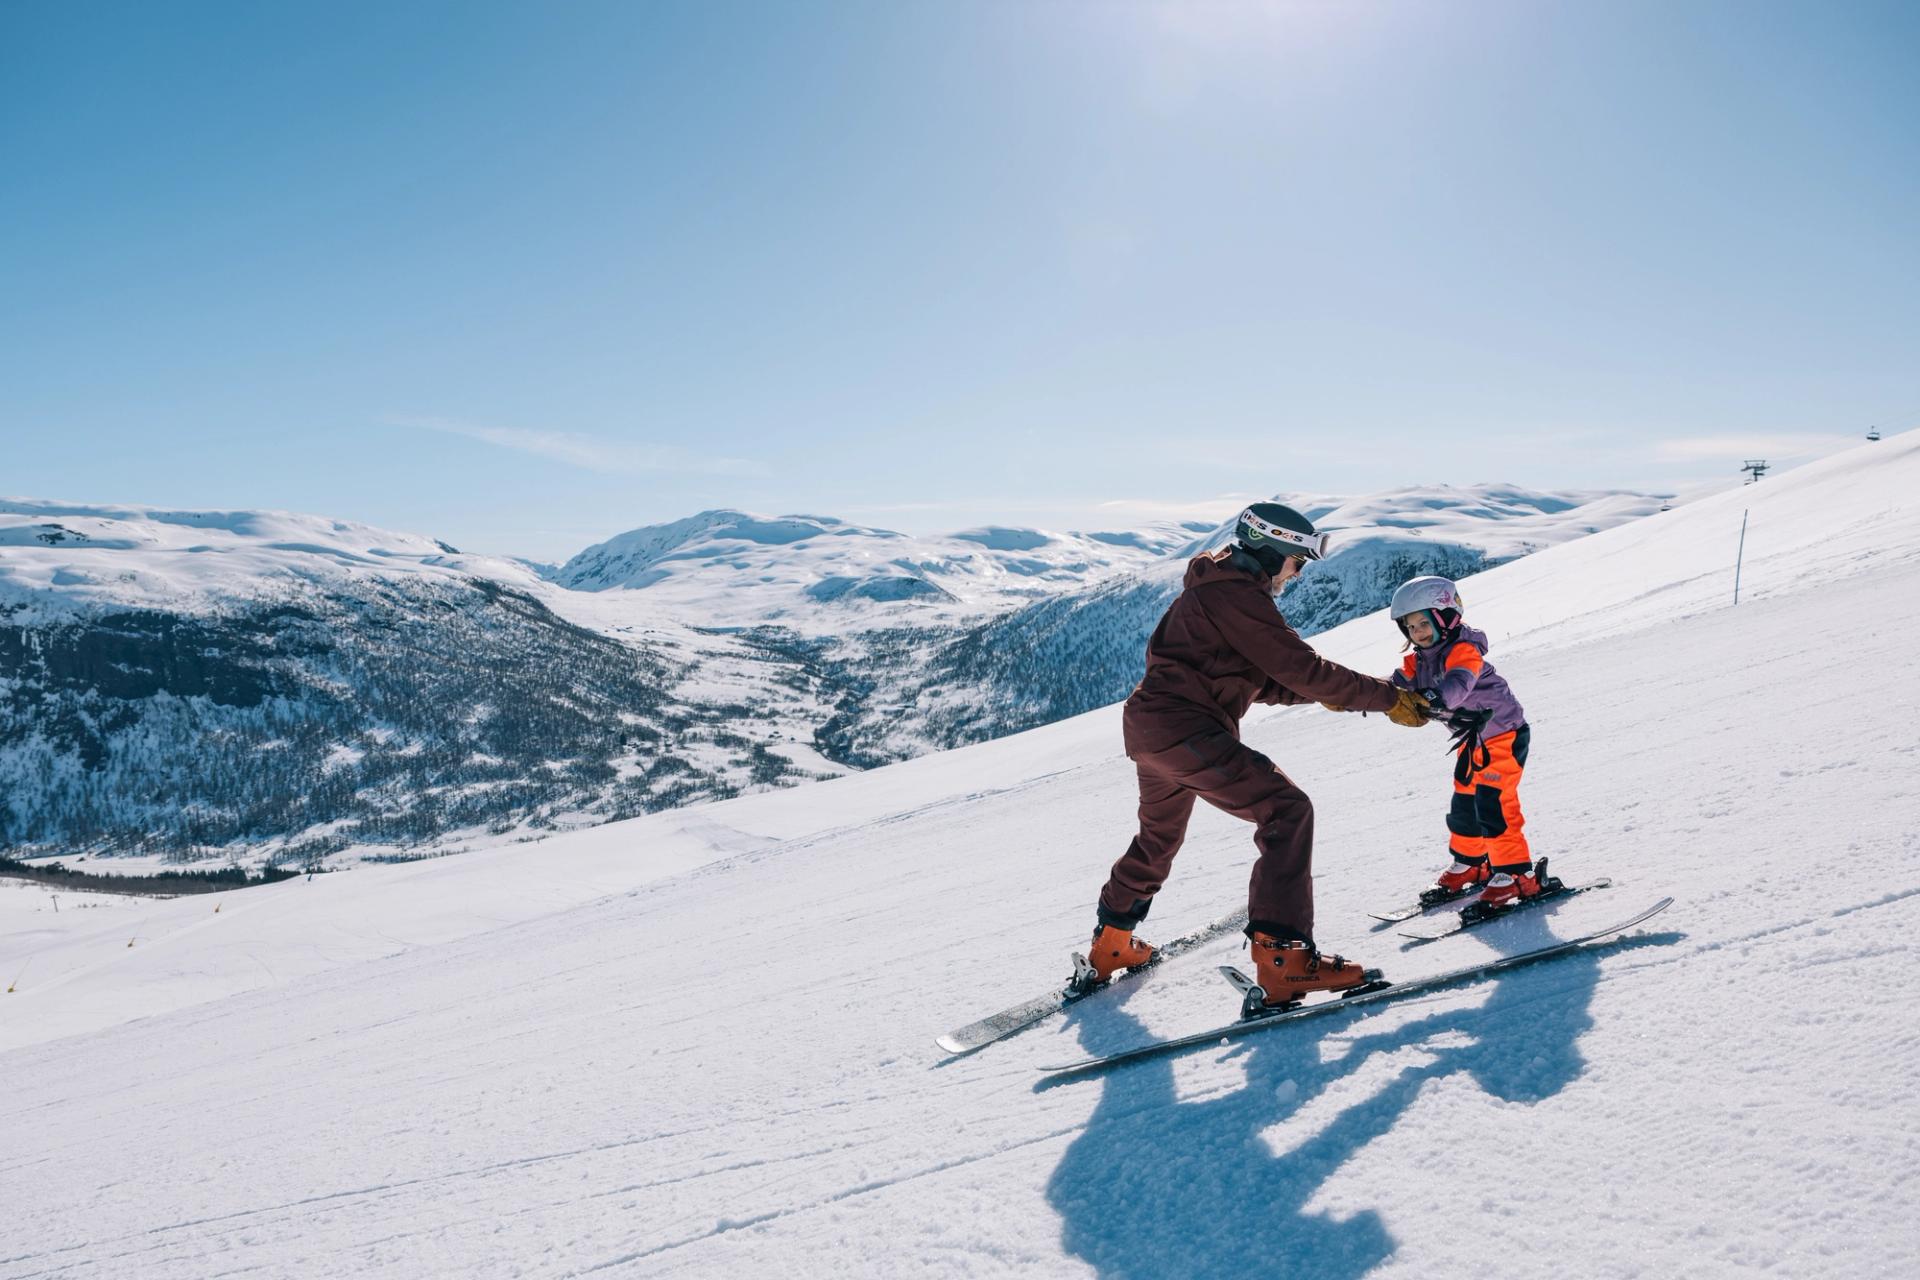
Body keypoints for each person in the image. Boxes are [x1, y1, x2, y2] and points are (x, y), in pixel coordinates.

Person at [1086, 502, 1433, 1009]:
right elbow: (1300, 666)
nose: (1299, 573)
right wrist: (1385, 698)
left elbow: (1266, 678)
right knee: (1285, 810)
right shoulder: (1235, 595)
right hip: (1186, 730)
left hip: (1152, 730)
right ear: (1274, 552)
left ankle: (1112, 943)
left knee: (1159, 838)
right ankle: (1285, 963)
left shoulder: (1218, 590)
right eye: (1298, 561)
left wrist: (1339, 694)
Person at [1386, 576, 1537, 910]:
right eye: (1410, 627)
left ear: (1447, 616)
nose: (1418, 632)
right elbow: (1391, 688)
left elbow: (1460, 682)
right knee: (1464, 799)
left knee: (1493, 802)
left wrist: (1436, 698)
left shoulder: (1463, 650)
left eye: (1424, 623)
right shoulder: (1419, 662)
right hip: (1475, 740)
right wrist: (1356, 695)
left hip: (1504, 734)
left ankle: (1516, 875)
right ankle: (1472, 863)